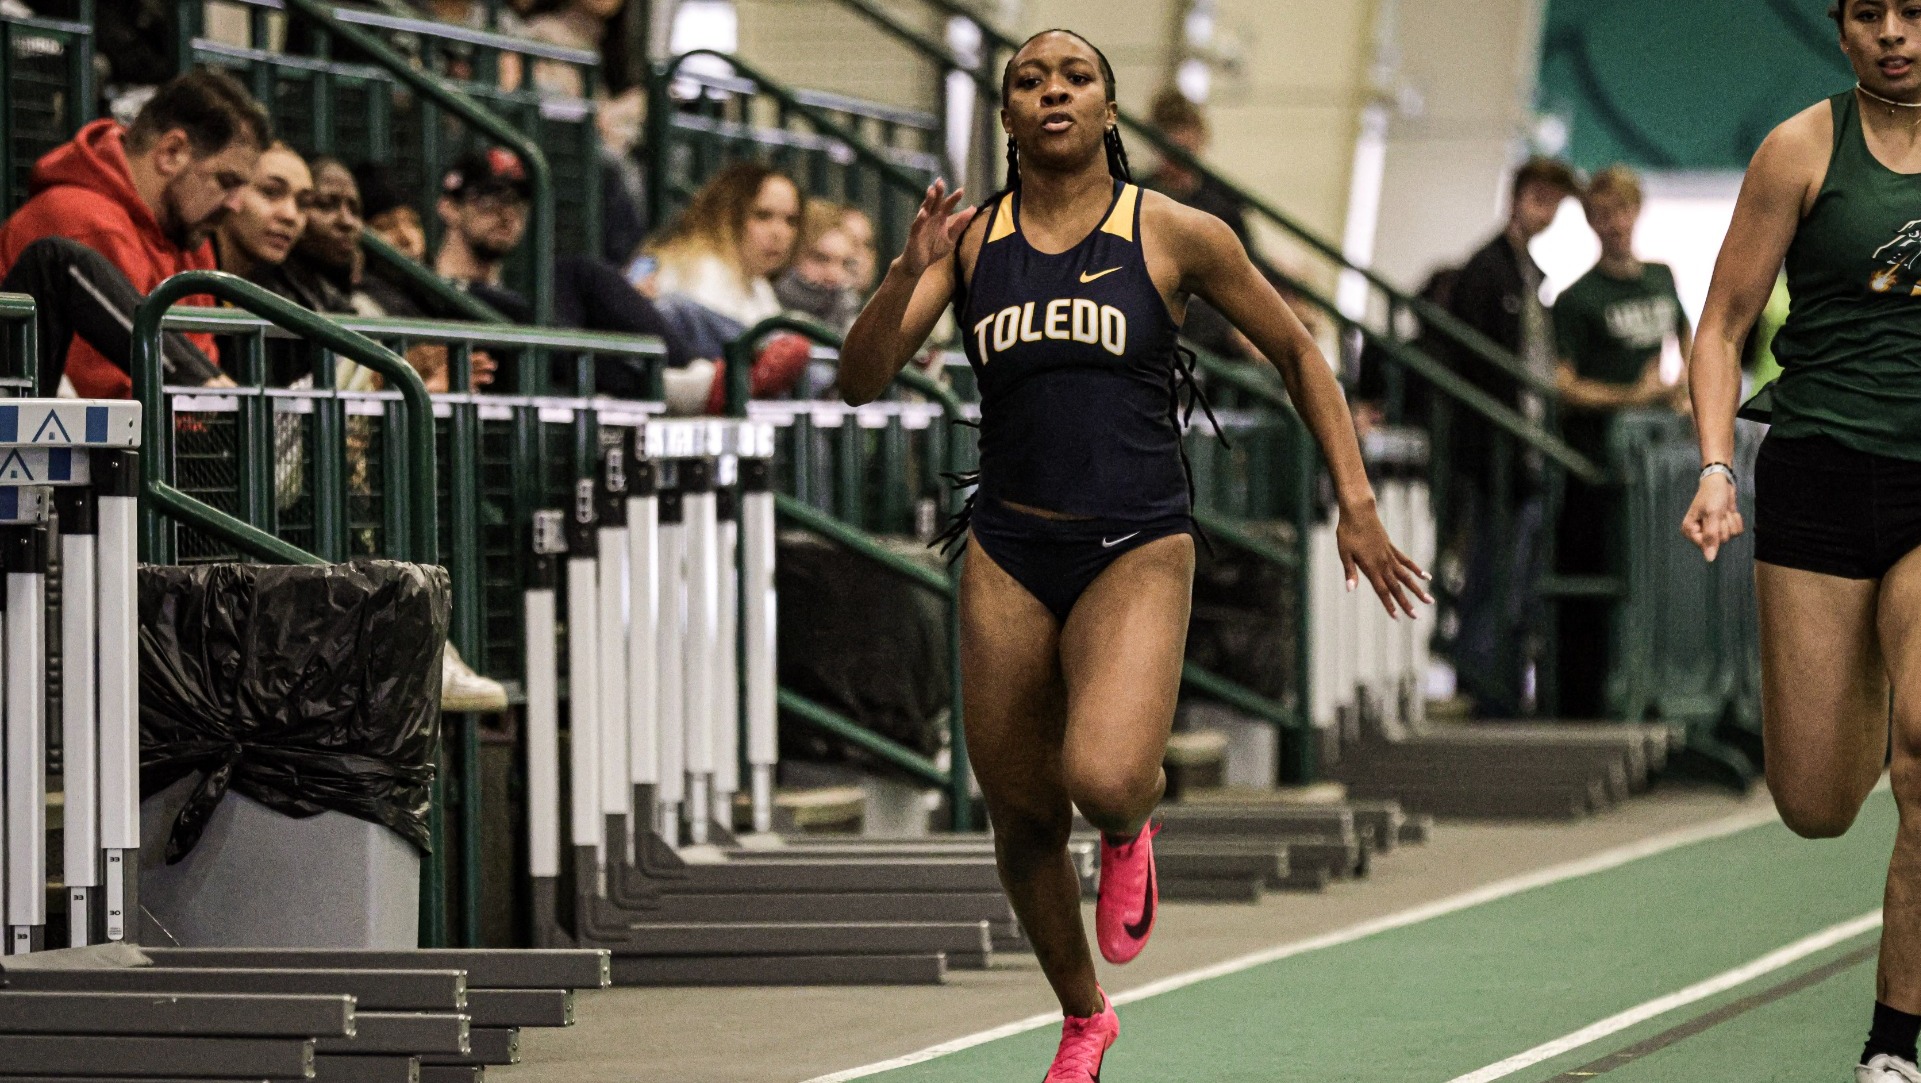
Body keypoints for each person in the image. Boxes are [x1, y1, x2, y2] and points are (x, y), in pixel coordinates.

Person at [838, 29, 1428, 1081]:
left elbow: (1299, 352)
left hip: (1137, 540)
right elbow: (861, 377)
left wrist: (1355, 501)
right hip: (1010, 542)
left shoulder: (1174, 233)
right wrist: (903, 271)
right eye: (1028, 80)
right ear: (1008, 115)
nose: (1051, 90)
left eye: (1074, 78)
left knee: (1104, 775)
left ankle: (1128, 826)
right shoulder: (971, 244)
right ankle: (1082, 1018)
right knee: (1019, 814)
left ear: (1110, 111)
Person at [1683, 5, 1921, 1081]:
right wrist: (1714, 465)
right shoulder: (1800, 148)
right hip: (1821, 474)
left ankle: (1893, 1046)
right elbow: (1724, 323)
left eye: (1912, 11)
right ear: (1840, 33)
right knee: (1818, 803)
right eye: (1868, 13)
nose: (1891, 32)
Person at [0, 67, 270, 396]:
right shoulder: (83, 221)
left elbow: (203, 367)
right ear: (171, 153)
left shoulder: (190, 235)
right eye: (226, 182)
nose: (236, 205)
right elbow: (109, 399)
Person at [1549, 164, 1690, 718]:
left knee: (1658, 576)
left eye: (1622, 210)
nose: (1615, 223)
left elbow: (1695, 340)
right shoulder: (1576, 299)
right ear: (1589, 221)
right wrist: (1632, 398)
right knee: (1599, 582)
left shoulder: (1661, 278)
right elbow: (1563, 386)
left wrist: (1688, 394)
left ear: (1637, 212)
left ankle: (1656, 688)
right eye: (1602, 214)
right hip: (1596, 465)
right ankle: (1589, 702)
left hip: (1656, 463)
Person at [1444, 155, 1582, 719]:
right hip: (1495, 456)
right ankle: (1485, 687)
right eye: (1540, 198)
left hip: (1517, 452)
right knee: (1494, 576)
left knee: (1510, 578)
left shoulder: (1520, 272)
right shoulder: (1488, 272)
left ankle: (1493, 684)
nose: (1545, 212)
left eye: (1554, 202)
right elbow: (1475, 366)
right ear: (1518, 197)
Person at [775, 200, 863, 332]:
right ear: (791, 254)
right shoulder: (762, 305)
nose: (834, 275)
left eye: (845, 263)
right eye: (821, 259)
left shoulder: (852, 320)